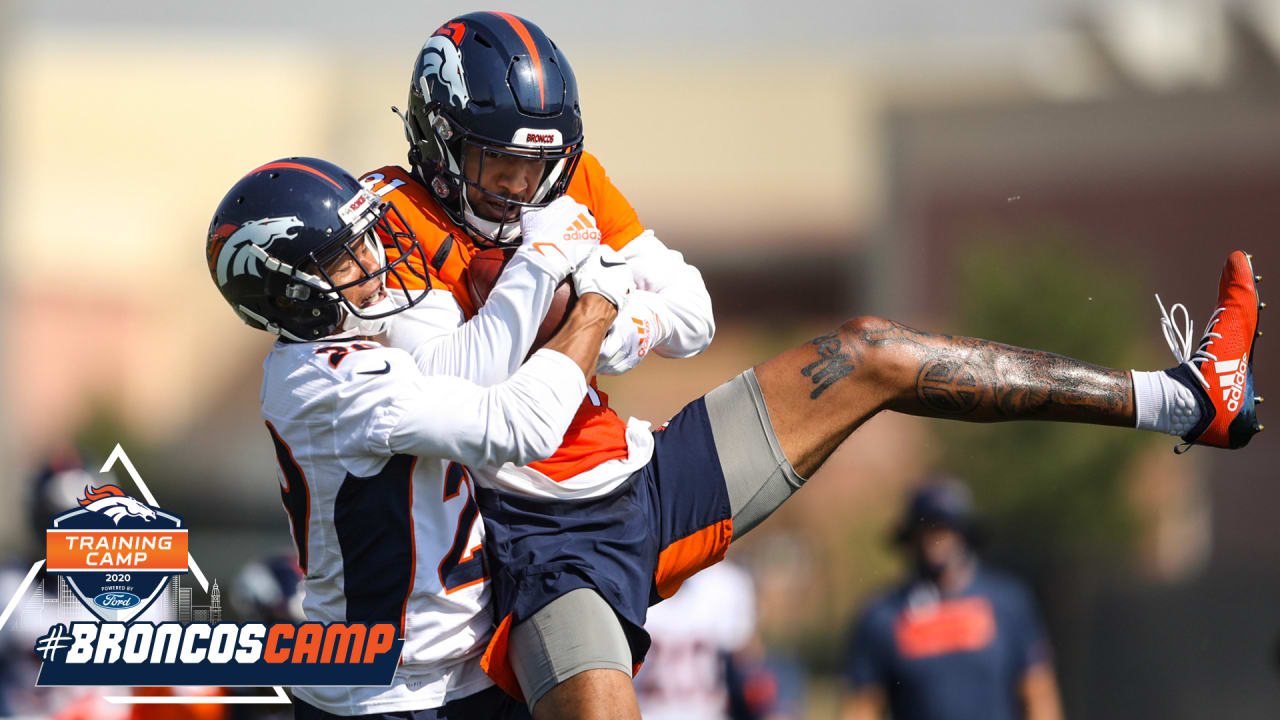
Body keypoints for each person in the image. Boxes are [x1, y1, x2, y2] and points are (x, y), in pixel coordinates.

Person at [361, 11, 1264, 720]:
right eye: (497, 166)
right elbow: (464, 390)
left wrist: (604, 323)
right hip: (537, 542)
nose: (522, 191)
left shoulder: (568, 181)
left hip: (643, 470)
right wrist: (566, 293)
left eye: (538, 166)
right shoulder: (382, 228)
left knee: (870, 352)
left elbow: (692, 313)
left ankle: (1185, 397)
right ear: (439, 139)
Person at [205, 156, 633, 719]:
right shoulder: (335, 382)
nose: (373, 262)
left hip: (455, 674)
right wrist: (590, 303)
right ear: (287, 292)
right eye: (343, 258)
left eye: (366, 239)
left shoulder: (342, 353)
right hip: (390, 693)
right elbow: (519, 425)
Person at [840, 479, 1064, 720]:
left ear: (964, 533)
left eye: (945, 528)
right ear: (911, 538)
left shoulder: (1008, 602)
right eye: (927, 530)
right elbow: (863, 704)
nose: (936, 541)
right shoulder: (883, 615)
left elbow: (1038, 691)